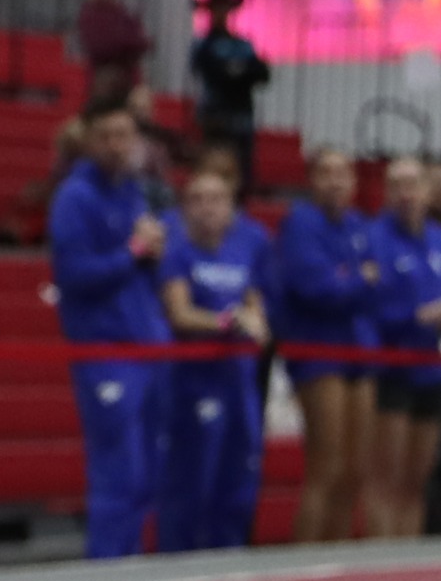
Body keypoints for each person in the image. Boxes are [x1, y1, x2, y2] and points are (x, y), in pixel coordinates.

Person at [48, 92, 173, 559]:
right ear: (87, 141)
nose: (117, 145)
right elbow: (73, 275)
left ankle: (132, 567)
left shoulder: (136, 191)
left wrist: (155, 255)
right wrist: (134, 253)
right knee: (118, 474)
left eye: (124, 135)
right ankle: (106, 571)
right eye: (106, 136)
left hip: (148, 345)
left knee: (147, 475)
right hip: (105, 349)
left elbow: (150, 268)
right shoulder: (74, 197)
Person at [156, 164, 271, 552]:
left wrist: (257, 319)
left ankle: (230, 554)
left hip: (238, 377)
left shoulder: (245, 248)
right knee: (193, 478)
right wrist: (226, 322)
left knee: (240, 473)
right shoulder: (178, 253)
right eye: (198, 200)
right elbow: (179, 312)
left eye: (217, 200)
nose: (207, 208)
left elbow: (255, 303)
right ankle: (179, 558)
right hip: (195, 379)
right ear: (185, 208)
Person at [273, 147, 378, 544]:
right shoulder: (300, 224)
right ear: (311, 181)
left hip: (359, 350)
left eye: (343, 173)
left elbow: (377, 283)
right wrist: (357, 280)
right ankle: (305, 558)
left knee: (355, 469)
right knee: (327, 464)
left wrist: (351, 280)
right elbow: (314, 287)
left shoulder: (358, 225)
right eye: (326, 173)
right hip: (318, 352)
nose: (335, 181)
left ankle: (337, 555)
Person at [365, 156, 441, 539]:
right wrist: (420, 316)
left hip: (431, 369)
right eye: (397, 184)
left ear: (428, 191)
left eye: (413, 184)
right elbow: (372, 303)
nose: (406, 193)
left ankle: (405, 561)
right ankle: (379, 558)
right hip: (391, 368)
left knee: (417, 478)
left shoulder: (437, 238)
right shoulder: (374, 239)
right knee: (387, 477)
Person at [189, 0, 270, 193]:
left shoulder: (243, 43)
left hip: (242, 114)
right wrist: (238, 72)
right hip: (215, 116)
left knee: (242, 167)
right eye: (216, 8)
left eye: (224, 8)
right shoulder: (204, 45)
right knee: (216, 162)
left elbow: (261, 73)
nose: (221, 13)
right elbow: (209, 71)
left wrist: (233, 72)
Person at [75, 0, 151, 94]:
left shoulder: (123, 11)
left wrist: (125, 43)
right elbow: (100, 46)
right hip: (103, 85)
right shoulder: (89, 13)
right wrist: (128, 44)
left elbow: (141, 41)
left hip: (129, 82)